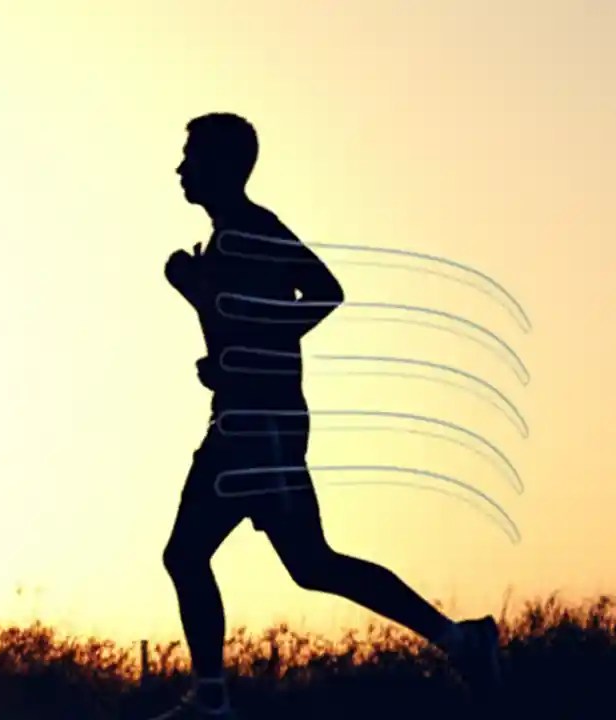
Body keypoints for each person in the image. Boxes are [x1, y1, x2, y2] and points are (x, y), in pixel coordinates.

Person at [152, 113, 501, 719]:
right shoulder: (224, 239)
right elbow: (242, 317)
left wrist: (242, 344)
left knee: (231, 559)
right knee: (285, 563)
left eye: (191, 156)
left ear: (222, 165)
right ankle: (460, 640)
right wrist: (211, 324)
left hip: (261, 431)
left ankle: (213, 702)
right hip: (241, 422)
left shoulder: (255, 230)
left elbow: (324, 291)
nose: (180, 168)